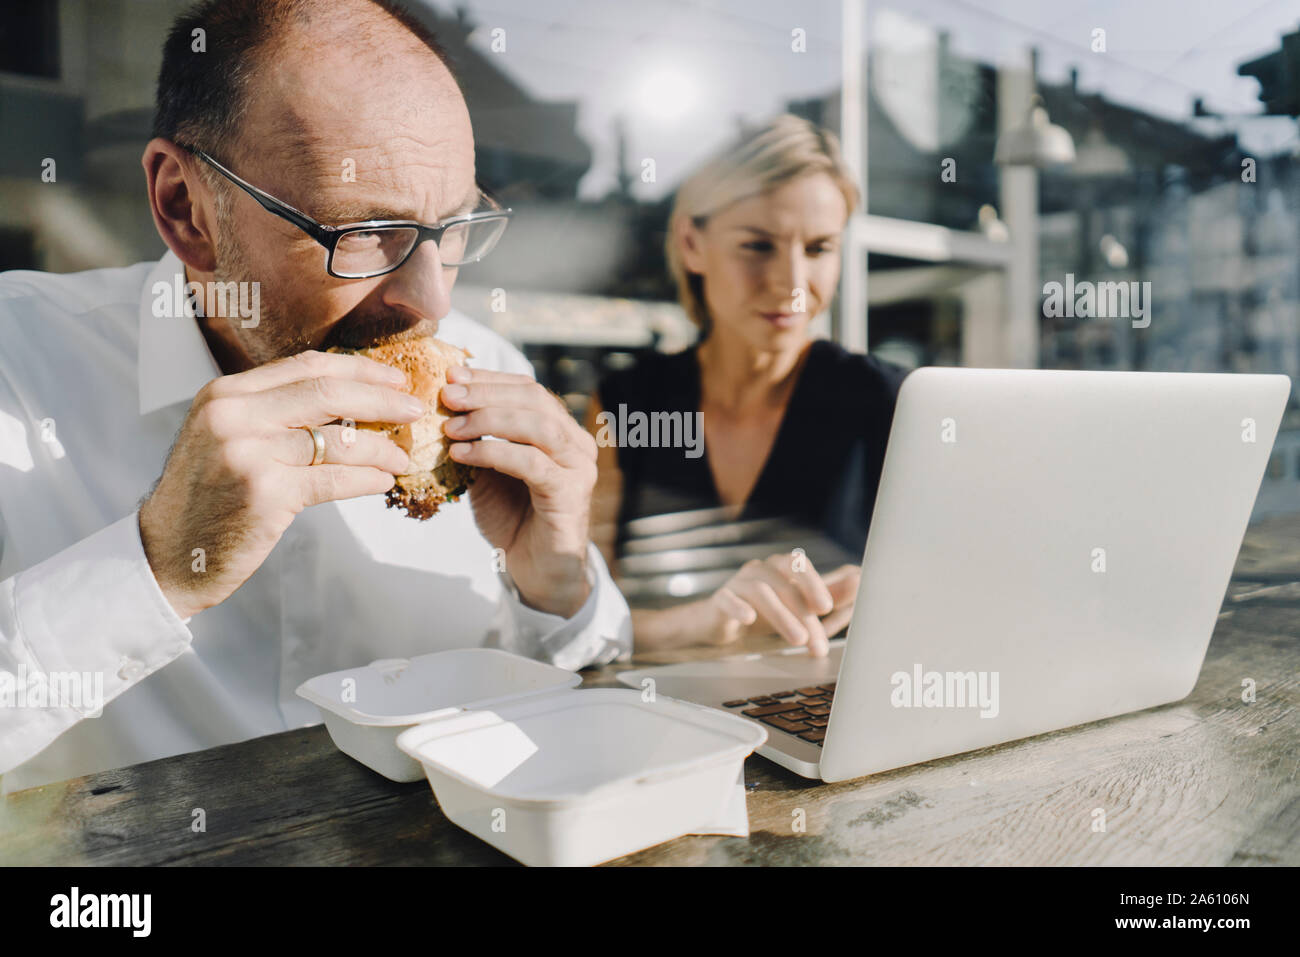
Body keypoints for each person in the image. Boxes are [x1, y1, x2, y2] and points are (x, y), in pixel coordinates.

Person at [0, 0, 630, 792]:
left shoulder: (492, 372)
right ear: (183, 207)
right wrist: (154, 568)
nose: (431, 302)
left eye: (457, 224)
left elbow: (581, 702)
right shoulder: (16, 364)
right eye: (363, 232)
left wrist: (557, 585)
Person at [588, 115, 908, 657]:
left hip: (818, 729)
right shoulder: (628, 405)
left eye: (819, 248)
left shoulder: (890, 403)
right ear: (692, 243)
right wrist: (707, 621)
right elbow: (585, 619)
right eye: (758, 246)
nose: (791, 283)